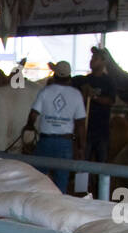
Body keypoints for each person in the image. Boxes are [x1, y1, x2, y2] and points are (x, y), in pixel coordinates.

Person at [23, 60, 87, 194]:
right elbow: (81, 124)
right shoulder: (76, 95)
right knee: (61, 183)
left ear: (54, 76)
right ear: (70, 78)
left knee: (36, 180)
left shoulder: (45, 92)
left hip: (45, 142)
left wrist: (29, 126)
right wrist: (81, 147)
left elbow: (33, 115)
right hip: (65, 144)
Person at [78, 46, 116, 174]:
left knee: (101, 166)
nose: (92, 60)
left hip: (101, 131)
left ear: (103, 62)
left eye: (95, 58)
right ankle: (81, 191)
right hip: (85, 130)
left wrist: (93, 96)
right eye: (92, 57)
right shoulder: (85, 80)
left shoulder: (108, 82)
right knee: (83, 165)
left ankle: (100, 191)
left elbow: (110, 100)